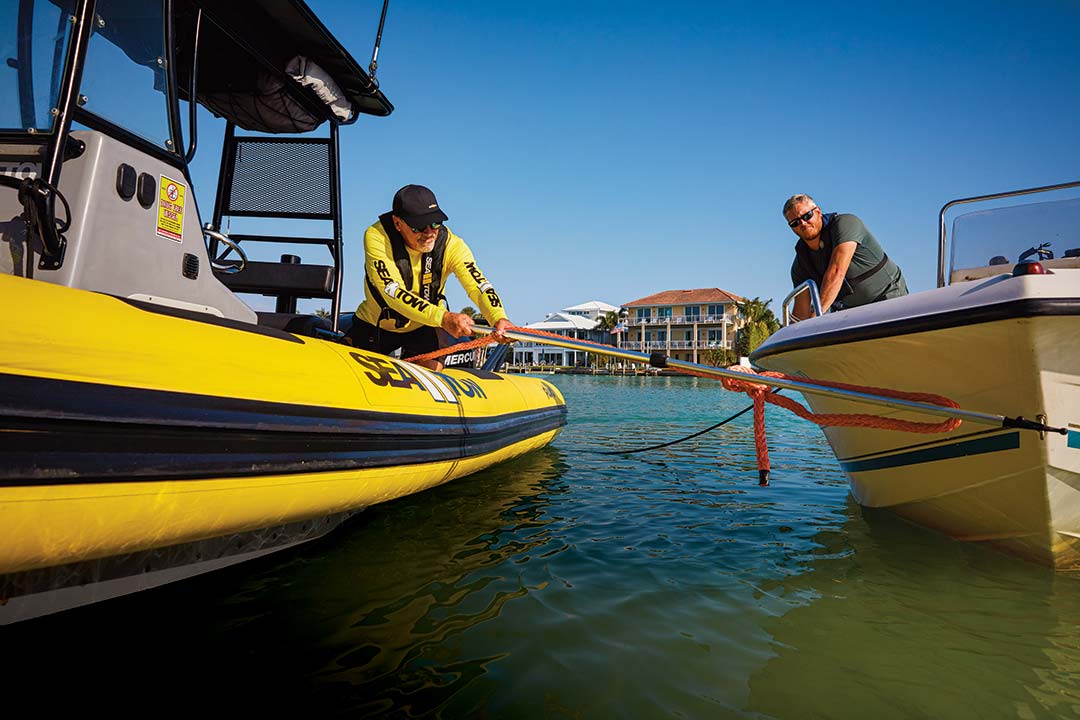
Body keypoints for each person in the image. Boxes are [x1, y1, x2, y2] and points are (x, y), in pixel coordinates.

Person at [347, 184, 513, 371]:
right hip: (375, 324)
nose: (429, 233)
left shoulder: (452, 245)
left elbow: (479, 285)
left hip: (426, 326)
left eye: (435, 223)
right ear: (397, 223)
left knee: (431, 369)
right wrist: (443, 318)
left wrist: (499, 318)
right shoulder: (377, 237)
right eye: (418, 226)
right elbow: (392, 293)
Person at [783, 193, 907, 320]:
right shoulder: (801, 264)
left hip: (887, 297)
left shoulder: (845, 224)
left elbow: (836, 272)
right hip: (851, 313)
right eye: (795, 223)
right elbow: (801, 311)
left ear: (818, 212)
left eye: (807, 216)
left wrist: (813, 322)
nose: (803, 223)